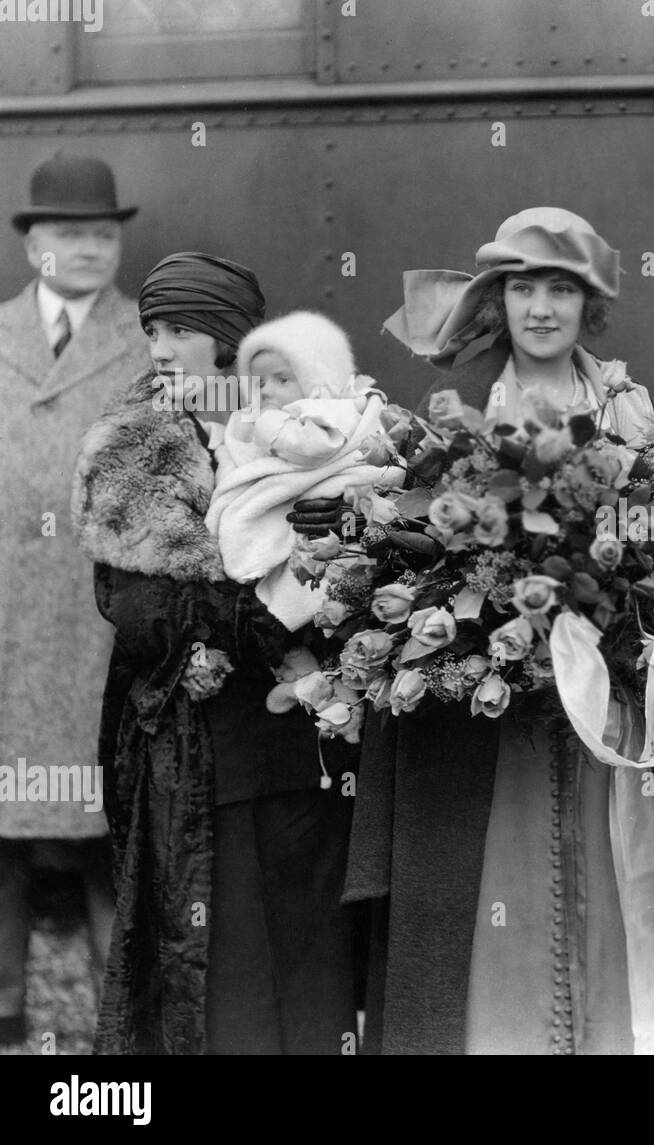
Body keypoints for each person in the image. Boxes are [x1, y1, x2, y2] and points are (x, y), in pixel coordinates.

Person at [342, 206, 654, 1054]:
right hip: (493, 708)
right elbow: (423, 545)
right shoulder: (461, 410)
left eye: (562, 288)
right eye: (524, 288)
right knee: (503, 881)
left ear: (587, 303)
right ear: (500, 299)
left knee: (601, 872)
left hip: (601, 692)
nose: (542, 308)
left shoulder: (626, 409)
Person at [70, 252, 357, 1054]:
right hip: (200, 755)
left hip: (301, 751)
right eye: (153, 329)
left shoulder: (300, 423)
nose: (162, 347)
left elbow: (343, 563)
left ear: (229, 337)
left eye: (183, 329)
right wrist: (259, 620)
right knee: (221, 965)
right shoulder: (133, 445)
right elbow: (138, 605)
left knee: (311, 956)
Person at [0, 152, 150, 1048]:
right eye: (68, 233)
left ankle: (117, 1036)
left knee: (109, 838)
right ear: (34, 245)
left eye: (101, 232)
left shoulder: (147, 342)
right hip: (7, 631)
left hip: (98, 623)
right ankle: (7, 1022)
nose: (88, 247)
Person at [206, 311, 400, 633]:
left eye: (282, 379)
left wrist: (267, 425)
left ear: (317, 380)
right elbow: (241, 467)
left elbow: (313, 450)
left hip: (334, 517)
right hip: (294, 525)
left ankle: (283, 620)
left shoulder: (331, 413)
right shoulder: (251, 422)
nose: (266, 391)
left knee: (309, 581)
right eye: (259, 383)